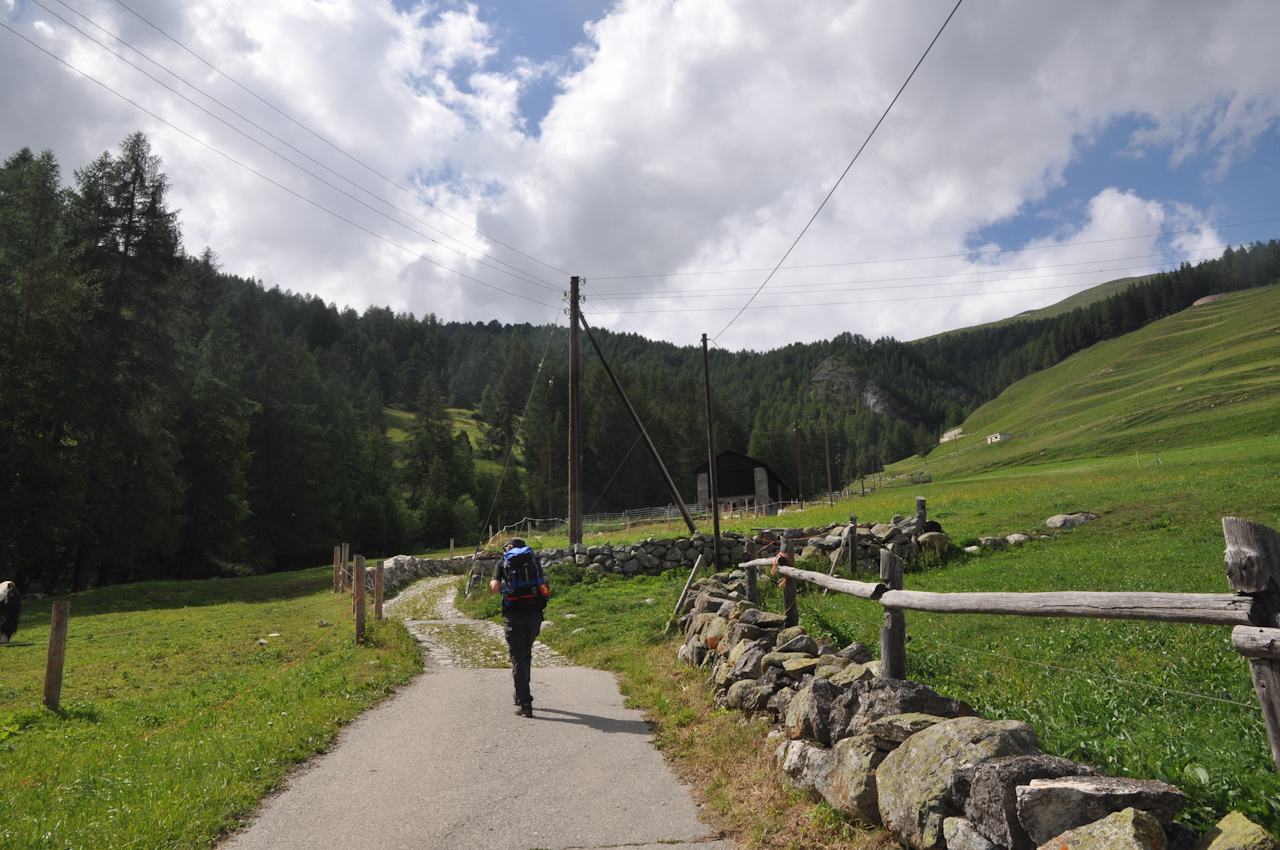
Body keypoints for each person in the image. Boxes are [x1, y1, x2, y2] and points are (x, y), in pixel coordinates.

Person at [490, 538, 548, 717]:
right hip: (534, 613)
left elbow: (495, 587)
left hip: (514, 615)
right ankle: (521, 692)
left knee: (517, 656)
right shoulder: (533, 560)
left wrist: (501, 585)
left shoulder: (503, 561)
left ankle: (525, 701)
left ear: (510, 547)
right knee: (526, 652)